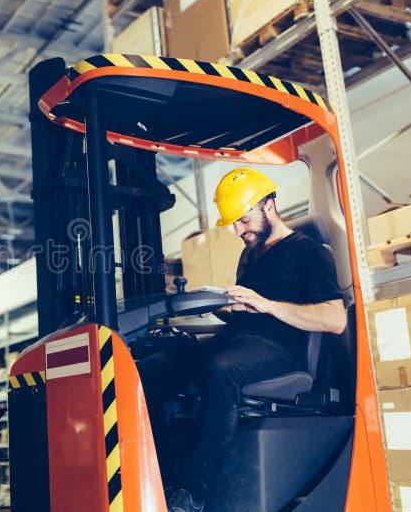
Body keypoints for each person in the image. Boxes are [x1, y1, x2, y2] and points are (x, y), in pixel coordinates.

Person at [137, 168, 347, 512]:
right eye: (234, 223)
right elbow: (249, 314)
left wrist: (266, 305)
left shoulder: (308, 251)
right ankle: (156, 474)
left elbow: (336, 319)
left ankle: (194, 493)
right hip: (239, 341)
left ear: (267, 205)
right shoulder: (250, 255)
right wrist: (221, 308)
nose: (238, 230)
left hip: (280, 350)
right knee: (155, 366)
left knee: (221, 370)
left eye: (243, 220)